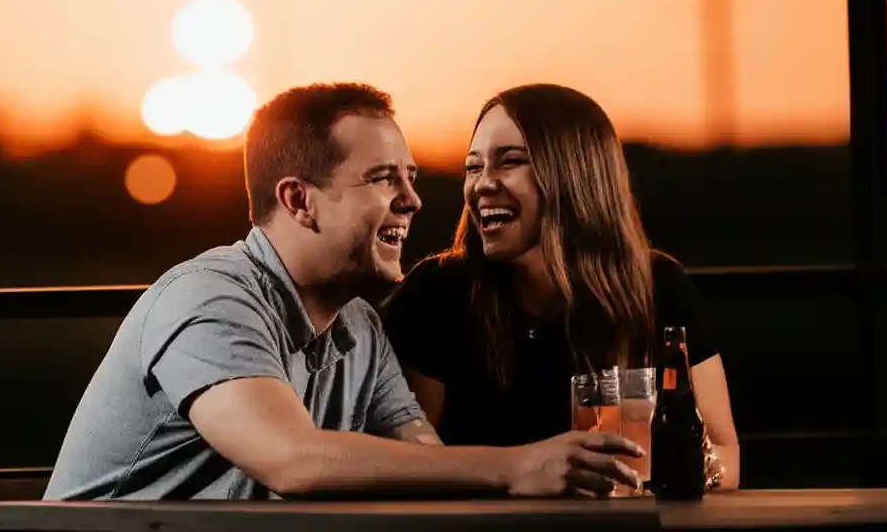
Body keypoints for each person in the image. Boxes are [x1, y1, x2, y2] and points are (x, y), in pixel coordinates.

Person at [44, 82, 643, 501]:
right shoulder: (210, 298)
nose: (413, 201)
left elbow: (427, 463)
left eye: (411, 178)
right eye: (384, 179)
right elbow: (293, 460)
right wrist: (516, 466)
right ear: (299, 200)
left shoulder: (361, 327)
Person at [384, 83, 740, 489]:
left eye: (510, 162)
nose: (482, 184)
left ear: (574, 175)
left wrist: (675, 465)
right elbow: (413, 463)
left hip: (620, 519)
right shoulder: (437, 291)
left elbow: (724, 452)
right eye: (473, 167)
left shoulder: (658, 286)